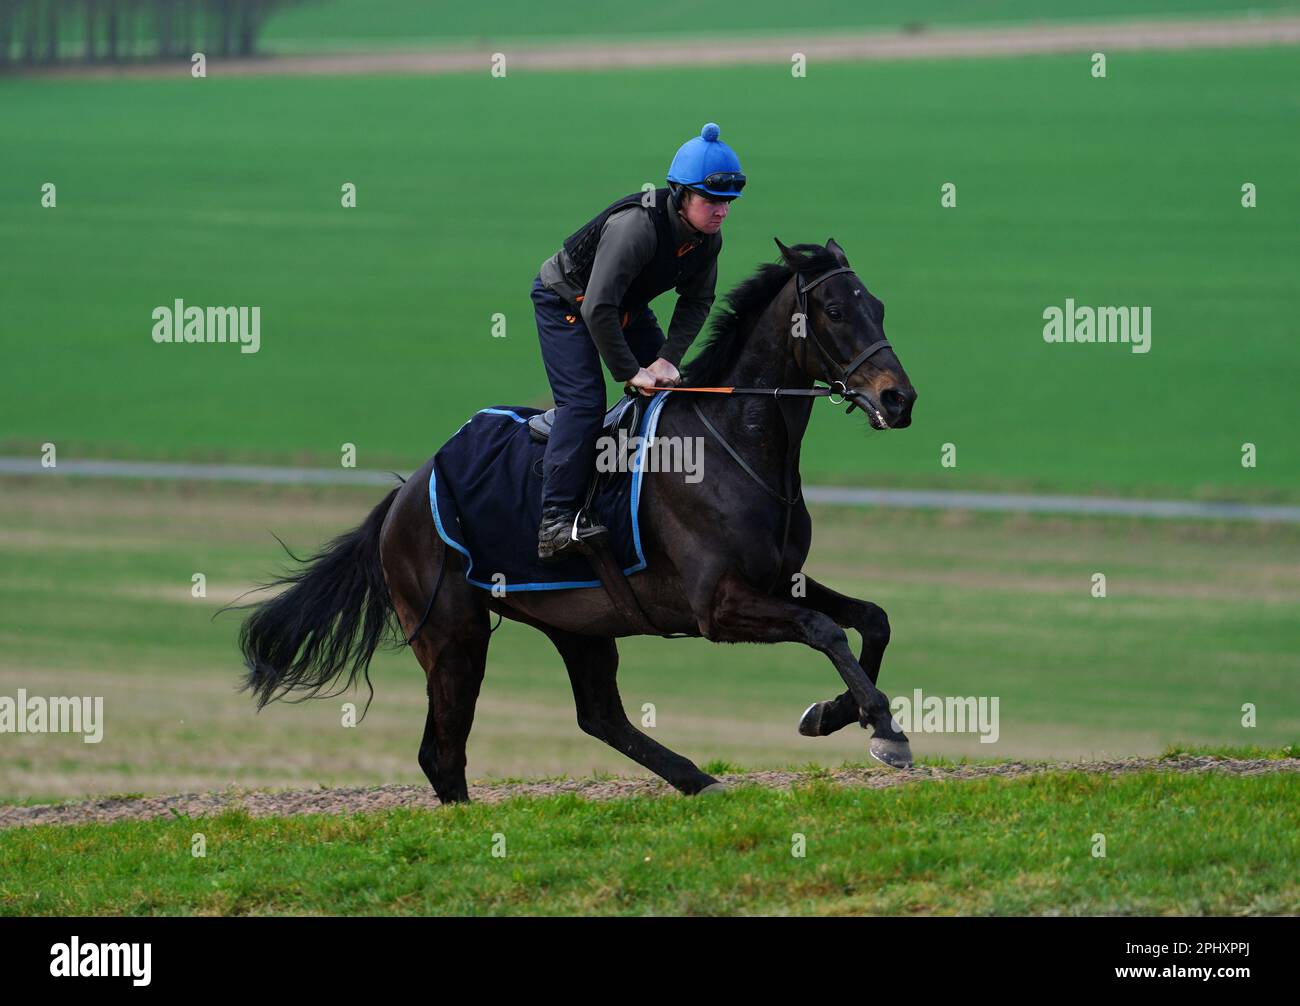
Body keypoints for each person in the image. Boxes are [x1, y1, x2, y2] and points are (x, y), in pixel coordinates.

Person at [532, 122, 745, 561]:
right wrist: (631, 372)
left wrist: (667, 361)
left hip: (621, 307)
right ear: (682, 195)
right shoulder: (637, 228)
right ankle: (554, 520)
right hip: (567, 301)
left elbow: (697, 301)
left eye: (727, 202)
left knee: (676, 392)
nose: (721, 211)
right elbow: (596, 309)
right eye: (711, 200)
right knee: (585, 402)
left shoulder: (707, 239)